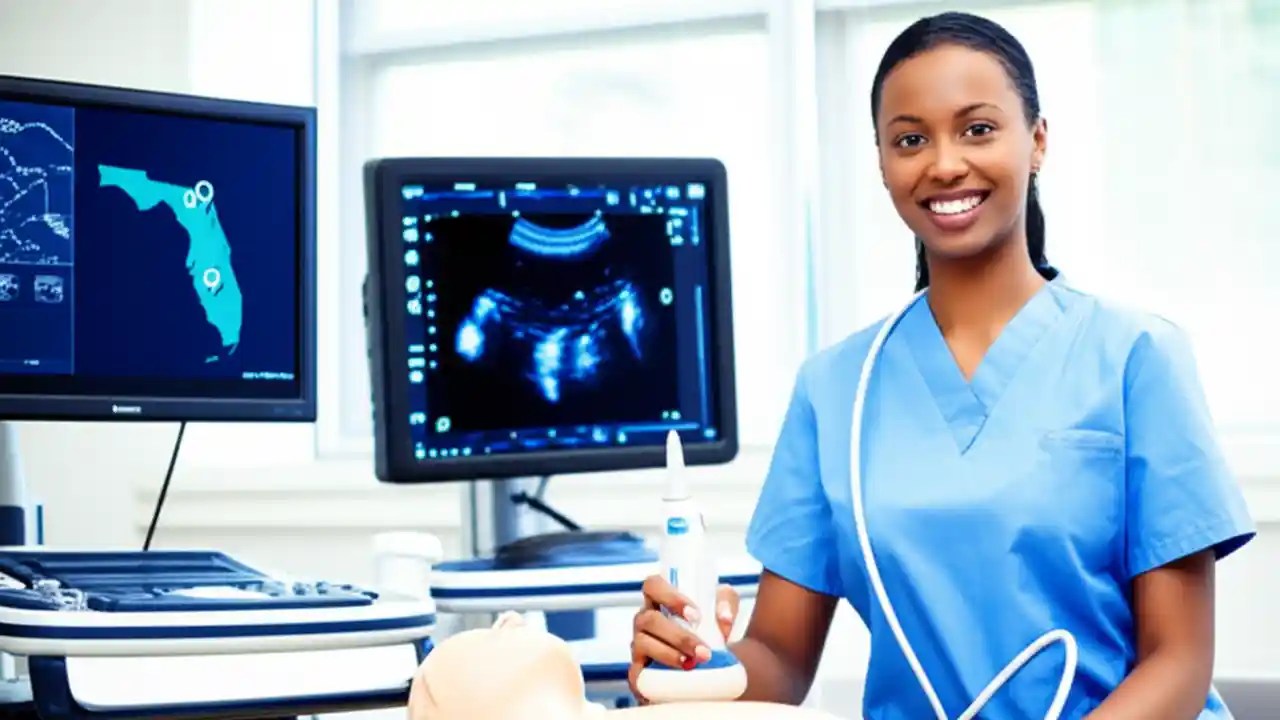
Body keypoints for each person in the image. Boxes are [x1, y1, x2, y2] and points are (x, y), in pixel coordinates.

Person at [629, 10, 1255, 719]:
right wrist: (693, 662)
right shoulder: (836, 390)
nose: (945, 162)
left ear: (1038, 141)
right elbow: (779, 660)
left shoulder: (1137, 357)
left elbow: (1177, 662)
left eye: (978, 128)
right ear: (883, 163)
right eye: (910, 139)